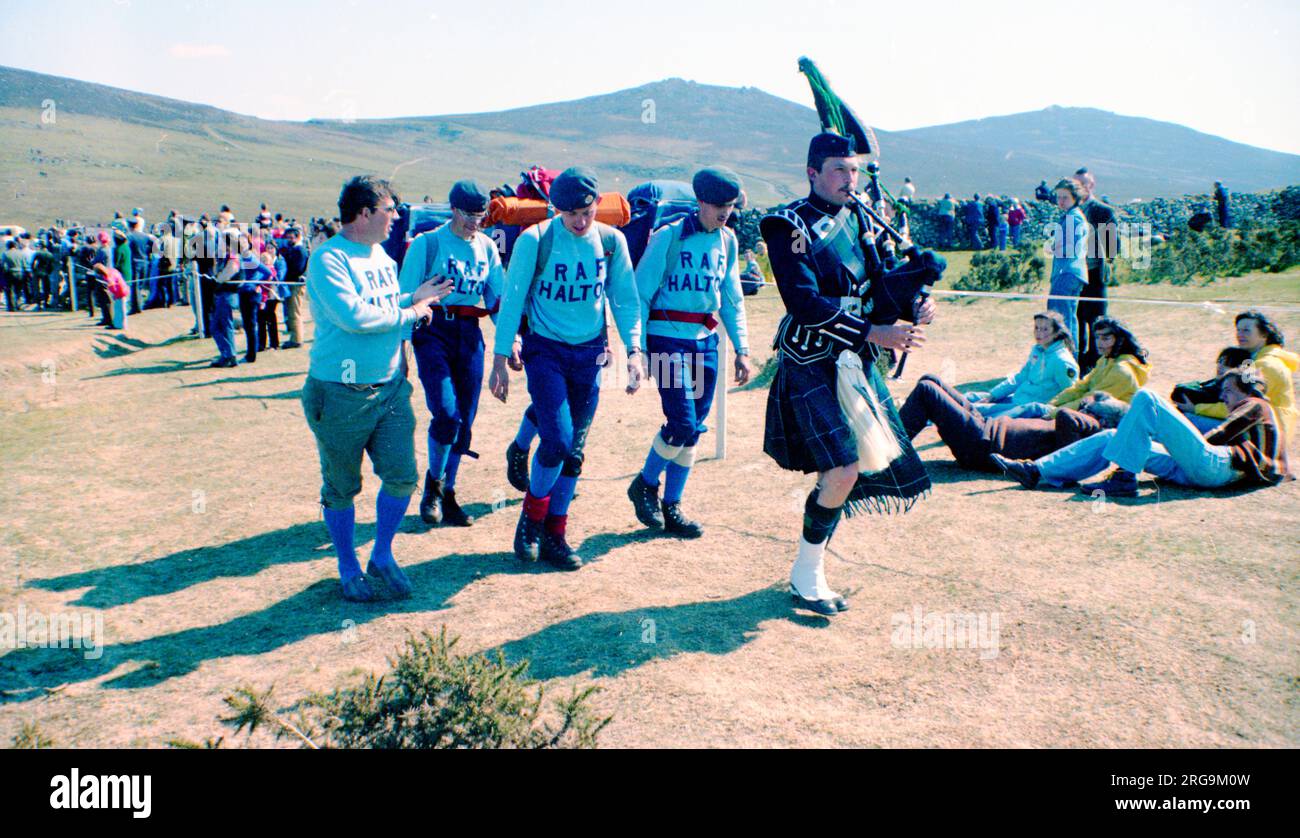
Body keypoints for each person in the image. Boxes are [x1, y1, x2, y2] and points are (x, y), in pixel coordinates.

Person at [759, 132, 936, 617]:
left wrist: (915, 299)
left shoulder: (858, 217)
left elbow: (879, 287)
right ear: (812, 173)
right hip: (811, 358)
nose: (849, 180)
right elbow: (803, 301)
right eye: (839, 170)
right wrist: (874, 333)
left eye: (854, 170)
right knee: (841, 468)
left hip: (855, 360)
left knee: (846, 469)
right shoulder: (785, 224)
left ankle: (807, 569)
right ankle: (807, 573)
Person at [301, 175, 451, 602]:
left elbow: (382, 307)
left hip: (389, 389)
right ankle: (348, 565)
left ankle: (381, 554)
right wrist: (412, 313)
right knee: (342, 487)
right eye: (389, 210)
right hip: (339, 392)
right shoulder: (329, 259)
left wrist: (411, 298)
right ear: (364, 212)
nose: (397, 217)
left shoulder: (382, 257)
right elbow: (356, 317)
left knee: (403, 476)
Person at [489, 167, 645, 570]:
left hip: (590, 353)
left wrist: (633, 350)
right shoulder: (535, 240)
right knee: (557, 442)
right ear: (557, 210)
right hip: (547, 352)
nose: (580, 221)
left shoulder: (611, 240)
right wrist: (501, 358)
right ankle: (531, 521)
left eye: (587, 211)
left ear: (597, 205)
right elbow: (513, 300)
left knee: (574, 452)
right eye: (571, 213)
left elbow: (625, 298)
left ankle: (555, 534)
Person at [627, 167, 753, 538]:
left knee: (694, 430)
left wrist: (742, 350)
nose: (724, 213)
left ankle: (673, 506)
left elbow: (731, 298)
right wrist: (638, 348)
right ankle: (646, 484)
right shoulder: (668, 237)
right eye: (717, 205)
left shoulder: (728, 241)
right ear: (700, 202)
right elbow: (640, 293)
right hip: (666, 339)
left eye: (729, 206)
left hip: (706, 341)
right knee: (681, 422)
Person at [993, 365, 1292, 495]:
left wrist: (1164, 432)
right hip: (1200, 470)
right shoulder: (1254, 409)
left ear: (1247, 388)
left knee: (1148, 397)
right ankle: (1037, 471)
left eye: (1229, 390)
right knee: (1112, 436)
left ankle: (1124, 477)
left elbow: (1218, 438)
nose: (1224, 396)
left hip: (1217, 466)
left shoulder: (1256, 404)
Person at [398, 180, 501, 528]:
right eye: (468, 215)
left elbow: (496, 298)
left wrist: (510, 341)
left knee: (465, 419)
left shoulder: (487, 247)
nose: (475, 222)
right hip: (432, 329)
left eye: (481, 215)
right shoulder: (427, 244)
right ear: (453, 209)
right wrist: (401, 351)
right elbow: (404, 297)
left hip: (469, 333)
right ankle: (433, 487)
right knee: (445, 413)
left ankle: (449, 492)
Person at [900, 374, 1104, 472]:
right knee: (930, 379)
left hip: (983, 444)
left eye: (1085, 406)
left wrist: (1090, 419)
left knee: (927, 390)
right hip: (986, 428)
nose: (1081, 407)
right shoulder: (1075, 431)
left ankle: (890, 452)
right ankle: (890, 447)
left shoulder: (1086, 430)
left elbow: (1067, 417)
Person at [1181, 311, 1297, 442]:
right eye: (1238, 330)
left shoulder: (1265, 365)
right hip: (1265, 428)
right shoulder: (1260, 359)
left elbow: (1241, 405)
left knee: (1186, 420)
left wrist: (1196, 408)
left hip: (1264, 436)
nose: (1240, 335)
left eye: (1246, 330)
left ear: (1264, 335)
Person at [967, 311, 1079, 418]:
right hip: (1017, 398)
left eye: (1045, 329)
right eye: (1036, 328)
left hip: (1027, 408)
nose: (1039, 333)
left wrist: (1051, 412)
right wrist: (992, 395)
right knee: (969, 397)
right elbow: (1020, 377)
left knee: (975, 409)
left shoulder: (1062, 361)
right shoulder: (1038, 351)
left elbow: (1071, 393)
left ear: (1056, 333)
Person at [1044, 316, 1149, 411]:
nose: (1098, 343)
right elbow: (1081, 387)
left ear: (1120, 341)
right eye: (1097, 337)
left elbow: (1091, 400)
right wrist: (1051, 404)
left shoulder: (1121, 371)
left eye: (1105, 339)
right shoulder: (1105, 360)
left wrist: (1053, 413)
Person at [1074, 170, 1119, 373]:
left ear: (1092, 185)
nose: (1081, 187)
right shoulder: (1070, 211)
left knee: (1096, 318)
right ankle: (1077, 358)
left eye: (1084, 183)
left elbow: (1112, 246)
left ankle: (1095, 360)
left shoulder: (1103, 211)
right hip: (1074, 274)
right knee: (1076, 317)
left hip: (1094, 272)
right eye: (1077, 183)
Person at [1047, 178, 1090, 346]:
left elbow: (1071, 248)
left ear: (1075, 197)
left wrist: (1053, 248)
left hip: (1068, 272)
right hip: (1072, 272)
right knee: (1068, 318)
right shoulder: (1071, 216)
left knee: (1059, 318)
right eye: (1058, 197)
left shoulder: (1073, 218)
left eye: (1065, 197)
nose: (1061, 201)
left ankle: (1066, 356)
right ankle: (1071, 357)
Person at [279, 226, 310, 348]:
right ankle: (295, 337)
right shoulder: (293, 249)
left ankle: (297, 339)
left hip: (295, 284)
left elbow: (297, 269)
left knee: (295, 312)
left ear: (297, 237)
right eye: (288, 237)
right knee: (292, 312)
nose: (289, 239)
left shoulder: (299, 250)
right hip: (292, 283)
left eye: (291, 237)